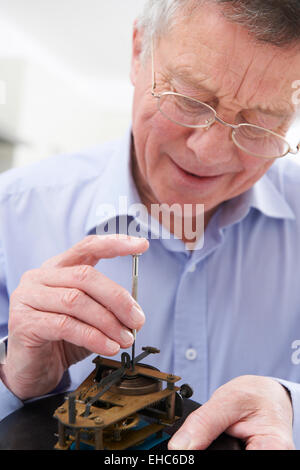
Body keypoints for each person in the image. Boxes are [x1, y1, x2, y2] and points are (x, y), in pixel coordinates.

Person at [1, 0, 300, 450]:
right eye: (191, 98)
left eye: (260, 124)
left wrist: (291, 405)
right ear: (139, 52)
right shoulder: (11, 213)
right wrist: (15, 380)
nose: (211, 153)